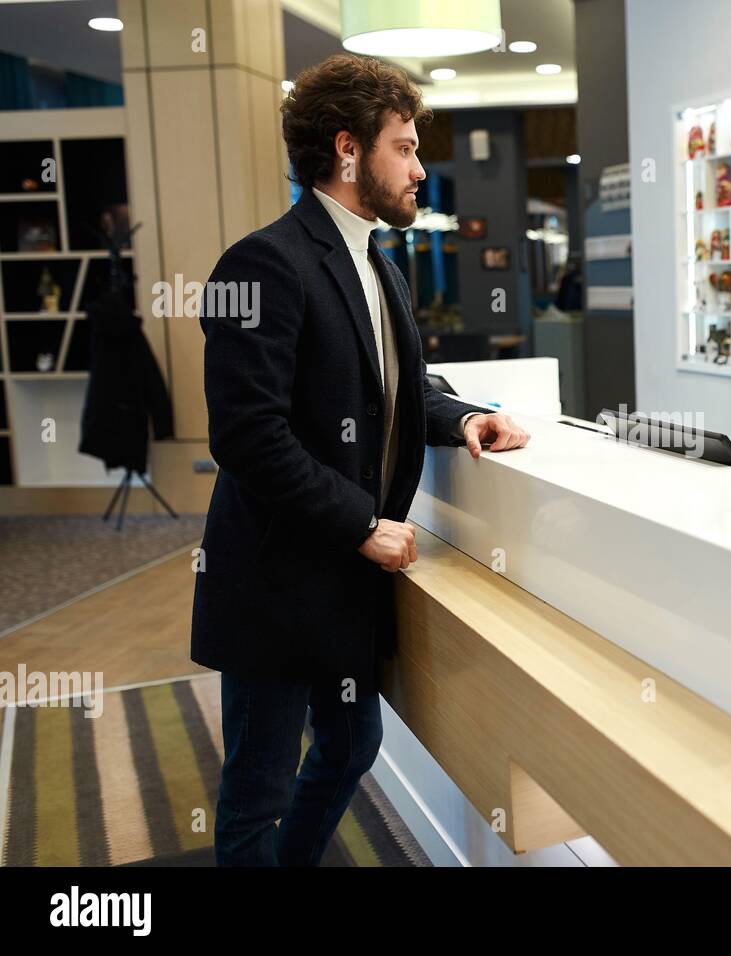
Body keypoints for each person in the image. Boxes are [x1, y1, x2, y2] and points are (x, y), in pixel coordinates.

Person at [191, 53, 530, 866]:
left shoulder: (379, 259)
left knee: (349, 746)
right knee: (256, 799)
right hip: (276, 581)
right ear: (349, 151)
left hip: (342, 585)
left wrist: (464, 419)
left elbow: (400, 381)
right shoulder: (264, 263)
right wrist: (361, 524)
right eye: (406, 148)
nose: (421, 171)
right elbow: (246, 438)